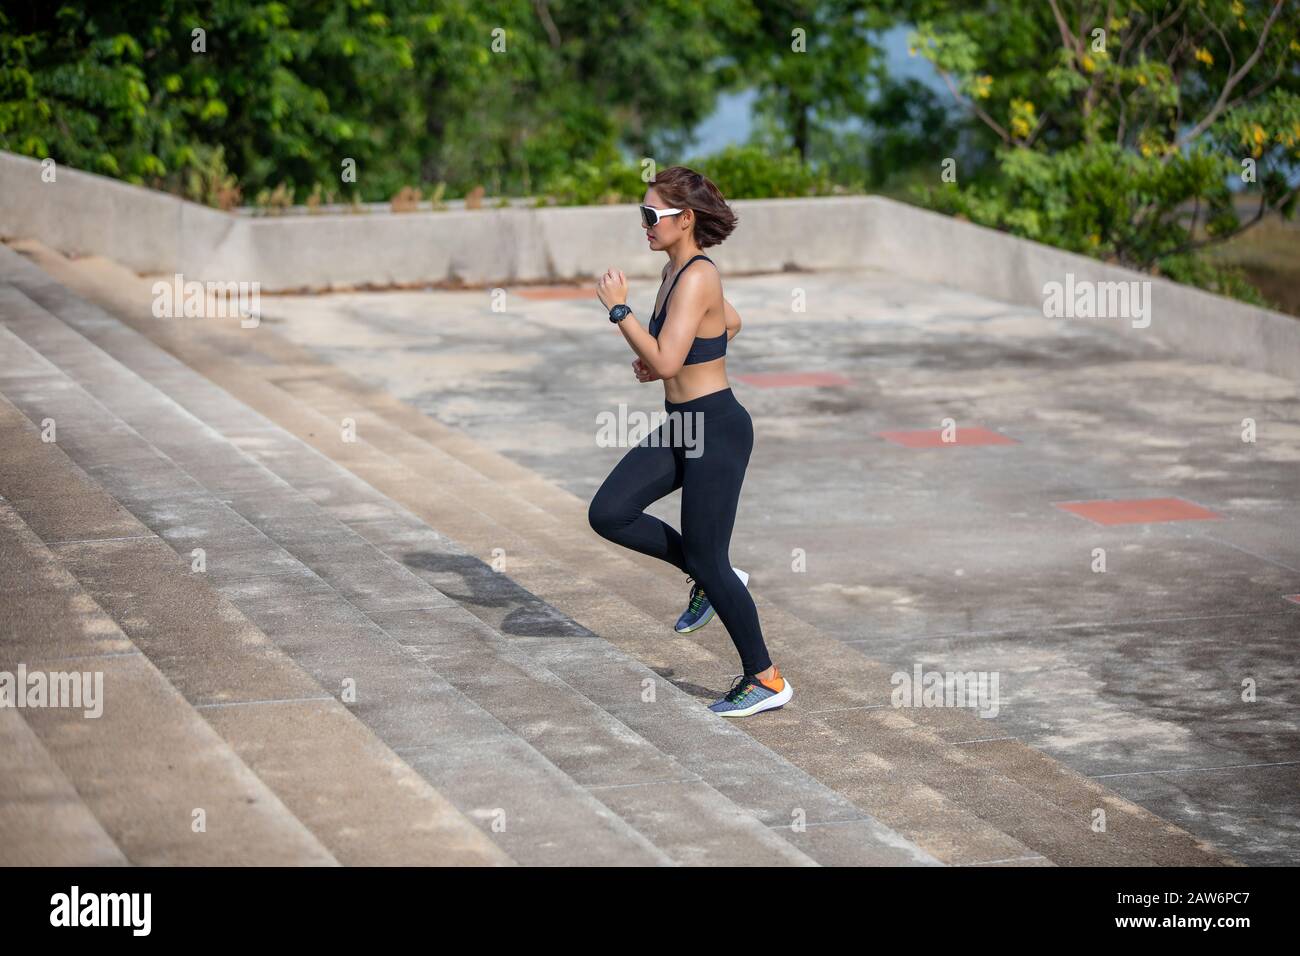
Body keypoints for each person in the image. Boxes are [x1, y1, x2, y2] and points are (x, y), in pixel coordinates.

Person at [587, 165, 791, 718]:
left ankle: (766, 678)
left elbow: (667, 353)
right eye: (643, 214)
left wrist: (620, 312)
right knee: (609, 512)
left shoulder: (698, 274)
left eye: (653, 216)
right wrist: (675, 365)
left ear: (686, 219)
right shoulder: (676, 272)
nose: (645, 225)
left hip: (716, 428)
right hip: (684, 424)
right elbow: (731, 324)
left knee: (710, 557)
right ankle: (708, 575)